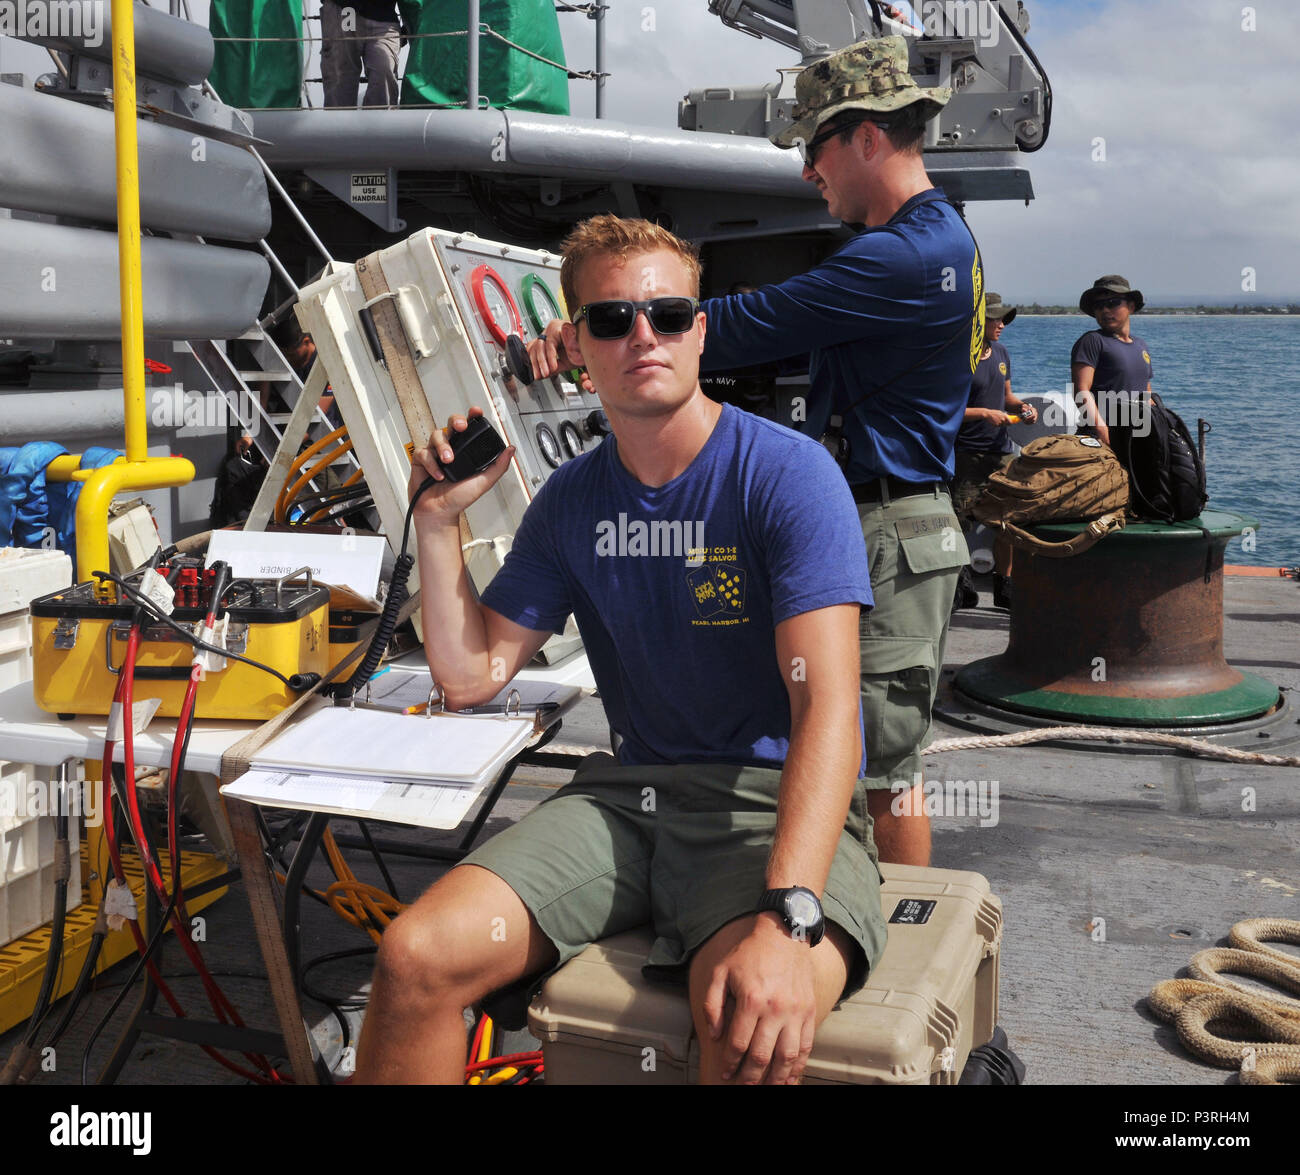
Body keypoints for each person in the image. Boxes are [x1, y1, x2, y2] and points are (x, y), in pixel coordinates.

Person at [354, 215, 887, 1085]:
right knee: (415, 957)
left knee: (746, 1019)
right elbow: (469, 674)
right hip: (630, 800)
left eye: (668, 315)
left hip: (766, 805)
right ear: (574, 344)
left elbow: (826, 703)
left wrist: (791, 916)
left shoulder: (787, 475)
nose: (644, 335)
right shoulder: (570, 501)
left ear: (699, 330)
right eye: (611, 319)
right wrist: (439, 520)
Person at [531, 38, 982, 867]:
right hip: (886, 520)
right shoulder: (936, 236)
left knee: (879, 764)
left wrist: (604, 327)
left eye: (815, 148)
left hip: (888, 531)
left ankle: (907, 952)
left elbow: (752, 322)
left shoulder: (906, 255)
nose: (810, 172)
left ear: (867, 139)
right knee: (866, 752)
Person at [951, 293, 1036, 609]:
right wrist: (984, 413)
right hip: (966, 454)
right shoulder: (961, 357)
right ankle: (962, 587)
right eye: (995, 318)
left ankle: (1004, 588)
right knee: (960, 523)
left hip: (1001, 452)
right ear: (977, 320)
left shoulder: (1001, 352)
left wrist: (1023, 407)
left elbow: (1008, 395)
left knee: (1009, 523)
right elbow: (948, 410)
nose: (1001, 324)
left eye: (1004, 319)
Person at [1070, 275, 1152, 450]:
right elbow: (1081, 391)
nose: (1105, 310)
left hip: (1136, 438)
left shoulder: (1141, 346)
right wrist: (1102, 431)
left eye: (1113, 303)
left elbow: (1146, 393)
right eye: (1099, 306)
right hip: (1100, 440)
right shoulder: (1092, 341)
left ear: (1130, 306)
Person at [319, 0, 401, 109]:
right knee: (340, 78)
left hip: (383, 16)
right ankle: (338, 124)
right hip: (344, 10)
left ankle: (380, 124)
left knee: (384, 69)